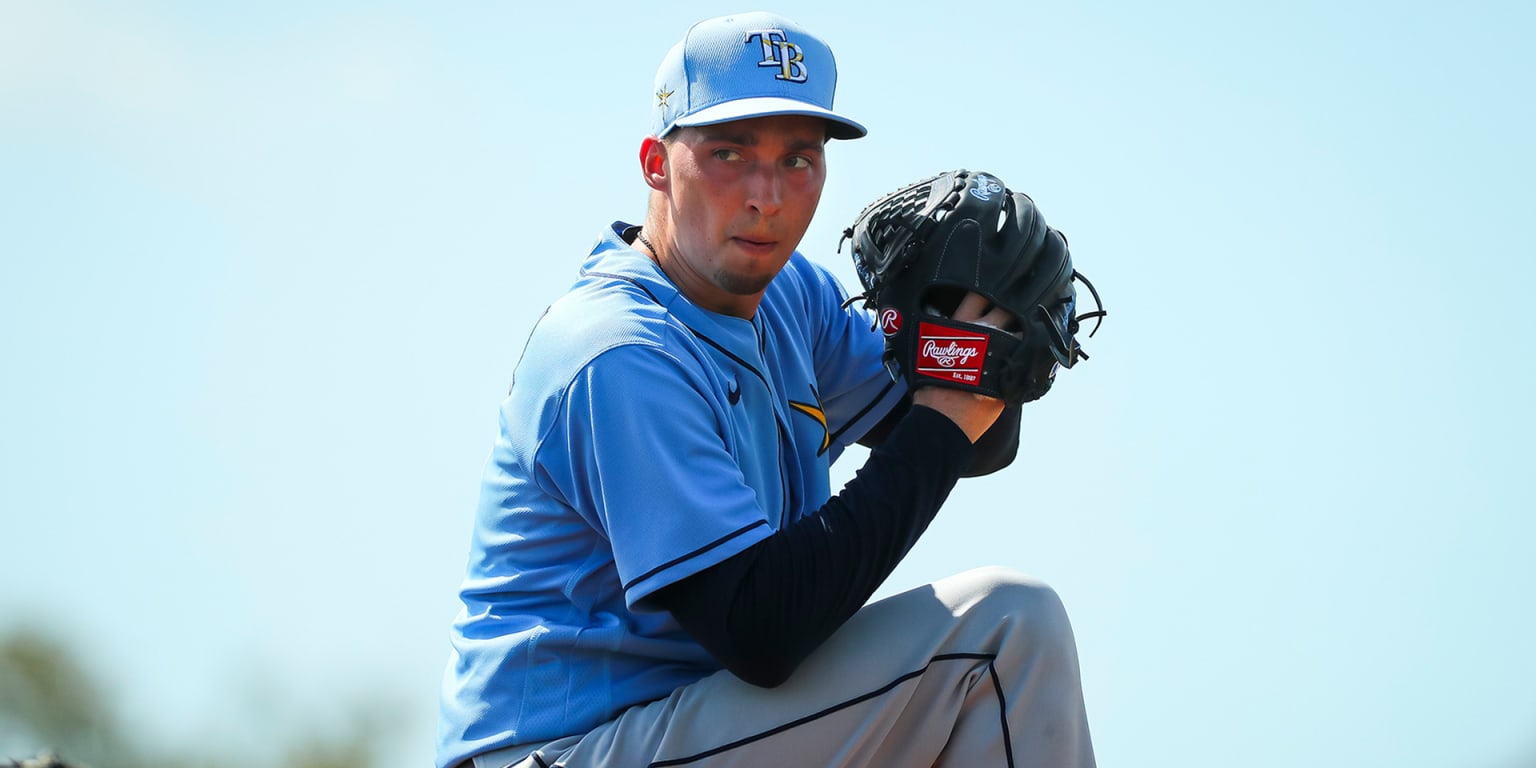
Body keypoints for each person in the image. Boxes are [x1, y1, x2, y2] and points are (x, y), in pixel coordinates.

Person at [437, 11, 1096, 768]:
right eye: (729, 152)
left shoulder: (792, 300)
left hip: (703, 728)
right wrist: (954, 397)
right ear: (656, 162)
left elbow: (972, 442)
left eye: (798, 159)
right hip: (566, 749)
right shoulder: (616, 353)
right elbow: (762, 630)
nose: (767, 195)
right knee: (1006, 631)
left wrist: (975, 335)